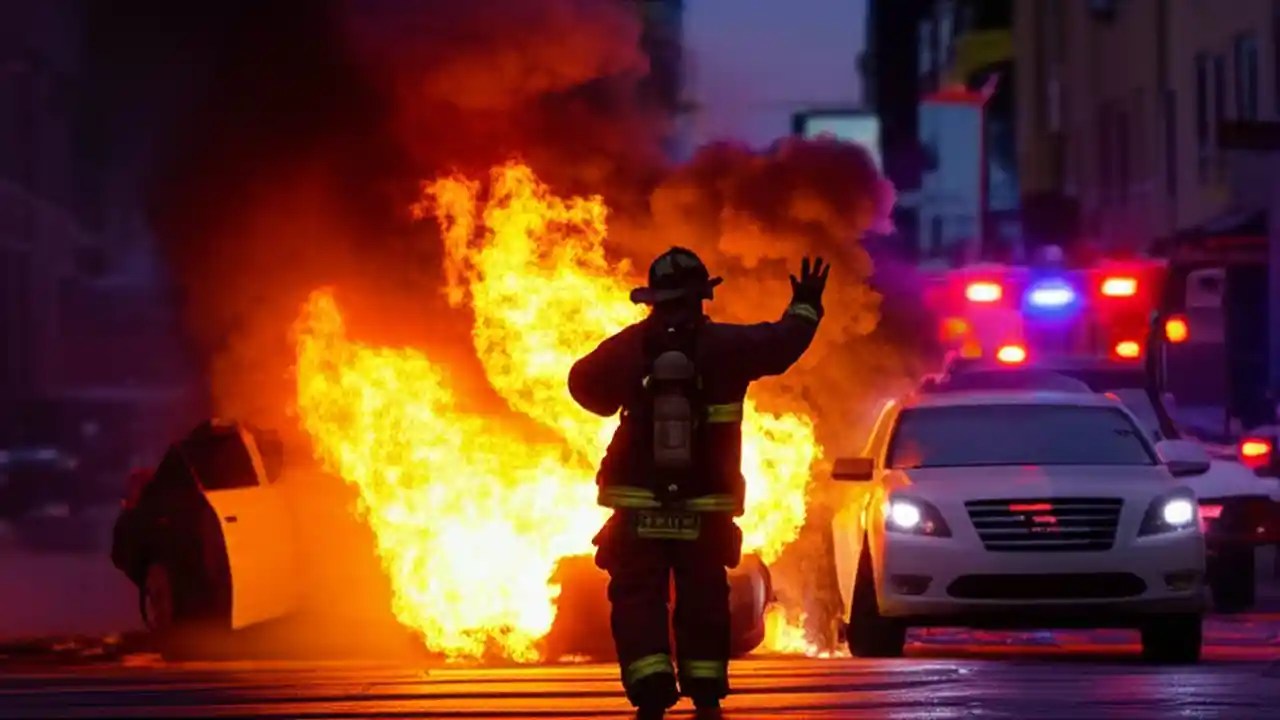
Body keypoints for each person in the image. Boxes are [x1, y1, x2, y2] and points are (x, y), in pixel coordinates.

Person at [568, 247, 828, 719]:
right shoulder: (728, 348)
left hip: (638, 502)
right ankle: (705, 689)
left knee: (638, 593)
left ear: (653, 301)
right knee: (704, 593)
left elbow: (582, 384)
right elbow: (783, 343)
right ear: (701, 298)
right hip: (705, 505)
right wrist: (806, 303)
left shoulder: (628, 348)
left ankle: (650, 684)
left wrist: (630, 390)